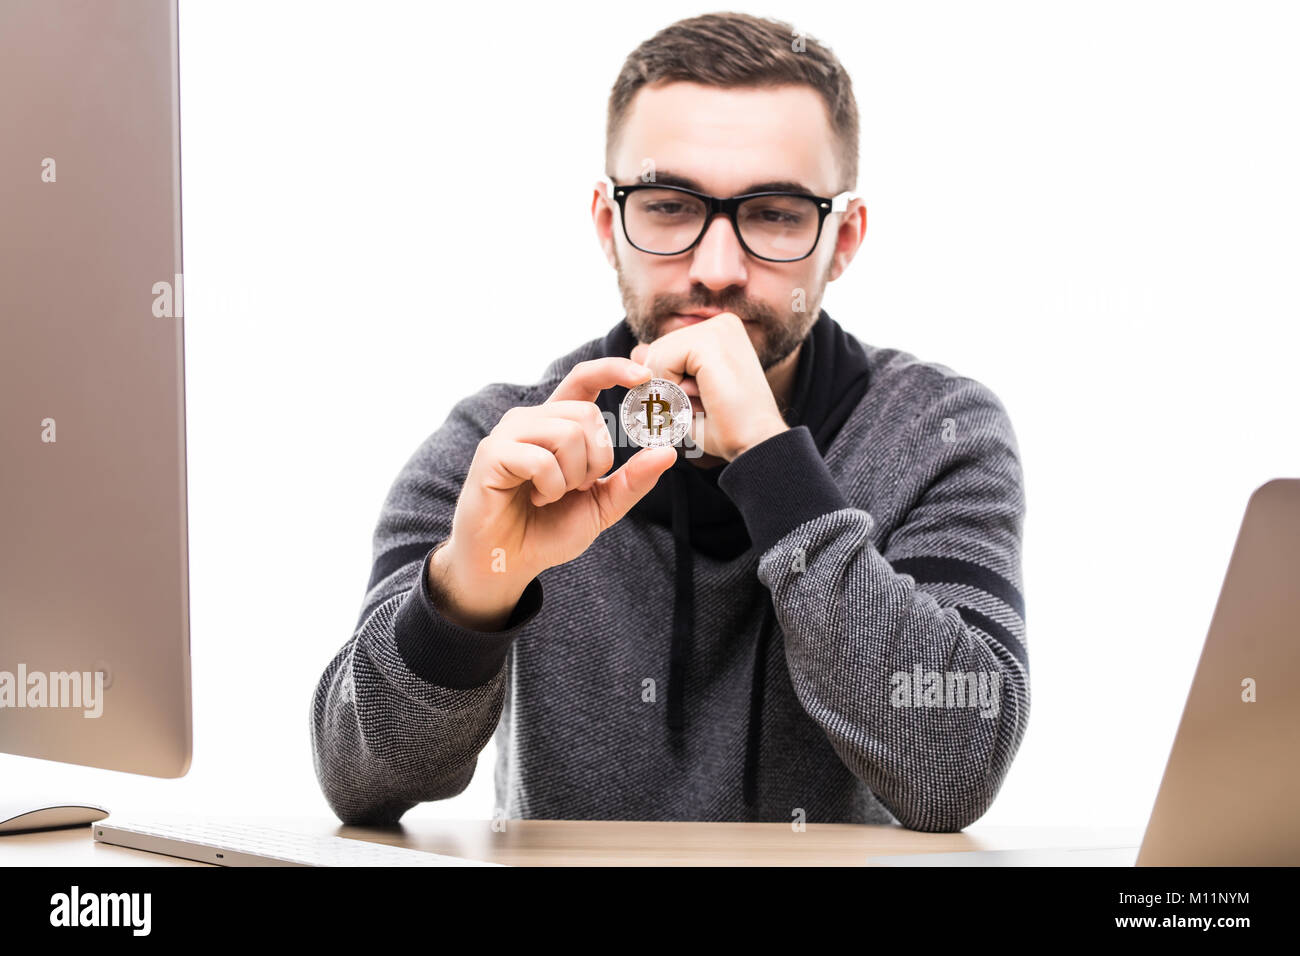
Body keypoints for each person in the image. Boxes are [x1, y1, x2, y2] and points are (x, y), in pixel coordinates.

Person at [310, 11, 1028, 830]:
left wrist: (772, 466)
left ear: (845, 238)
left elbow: (958, 768)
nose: (717, 270)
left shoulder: (936, 432)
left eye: (777, 214)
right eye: (667, 206)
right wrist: (471, 590)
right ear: (608, 225)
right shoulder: (501, 446)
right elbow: (357, 783)